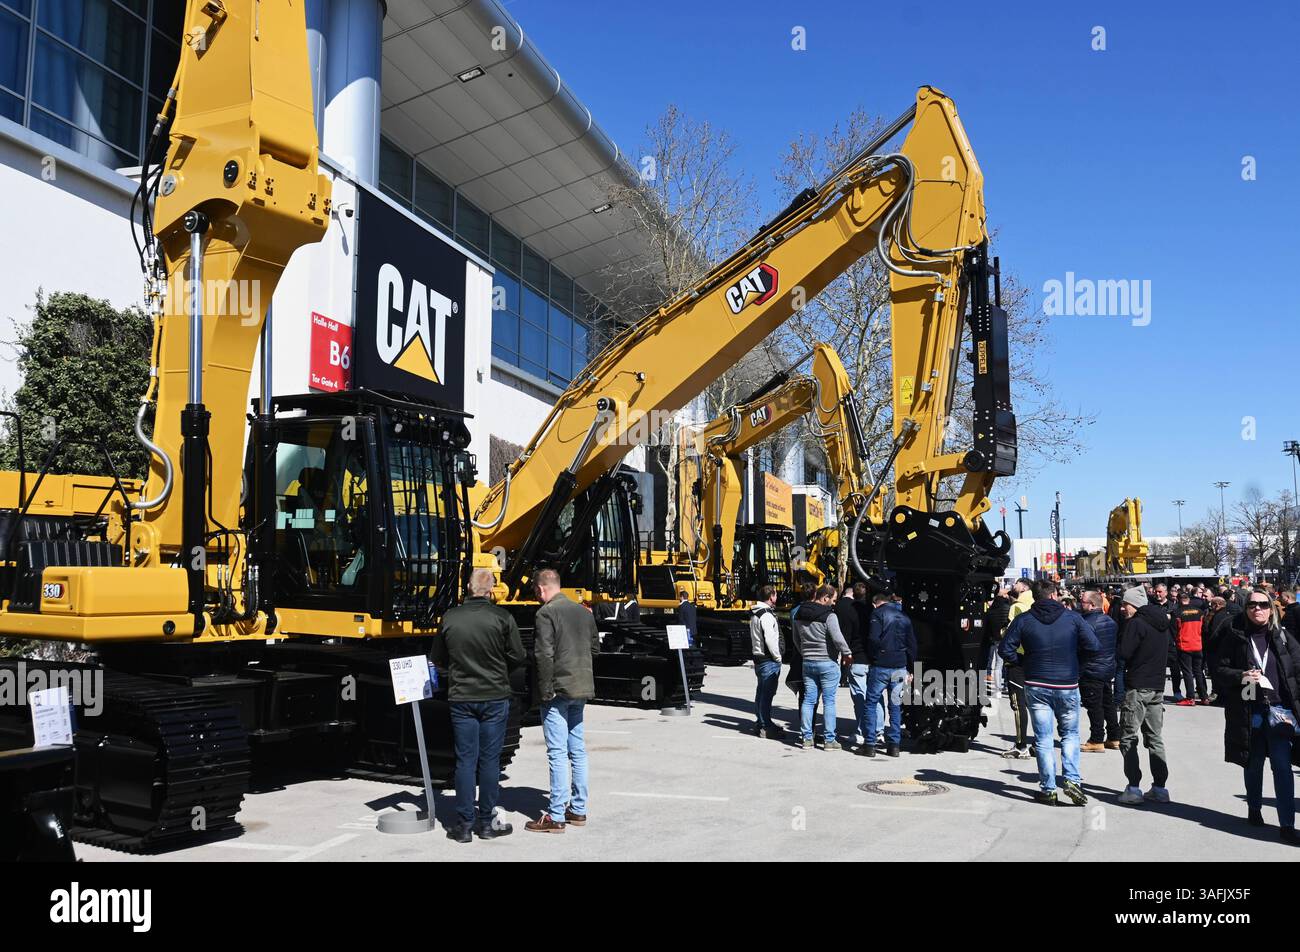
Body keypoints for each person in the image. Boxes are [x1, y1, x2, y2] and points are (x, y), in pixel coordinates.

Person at [432, 567, 526, 843]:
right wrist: (499, 670)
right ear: (491, 589)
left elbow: (437, 658)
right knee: (489, 761)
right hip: (494, 695)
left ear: (469, 588)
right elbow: (518, 655)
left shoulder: (450, 618)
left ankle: (463, 825)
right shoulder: (502, 617)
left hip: (462, 696)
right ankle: (485, 822)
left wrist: (457, 672)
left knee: (465, 760)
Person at [999, 580, 1098, 805]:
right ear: (1054, 596)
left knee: (1043, 739)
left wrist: (1024, 663)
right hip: (1067, 684)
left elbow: (1006, 649)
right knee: (1070, 734)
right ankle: (1072, 780)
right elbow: (1094, 646)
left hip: (1036, 683)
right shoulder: (1072, 618)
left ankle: (1049, 788)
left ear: (1035, 597)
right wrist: (1076, 666)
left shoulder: (1024, 619)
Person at [1213, 589, 1300, 844]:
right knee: (1253, 763)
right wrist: (1240, 676)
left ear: (1271, 608)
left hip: (1279, 711)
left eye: (1263, 605)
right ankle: (1254, 807)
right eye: (1252, 605)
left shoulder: (1282, 637)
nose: (1257, 609)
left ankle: (1287, 824)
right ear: (1246, 608)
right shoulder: (1236, 637)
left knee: (1282, 767)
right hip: (1250, 710)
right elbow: (1219, 669)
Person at [526, 569, 599, 834]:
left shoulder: (545, 613)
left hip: (557, 689)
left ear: (542, 588)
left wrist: (545, 691)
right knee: (577, 750)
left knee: (557, 752)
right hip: (581, 687)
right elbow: (594, 649)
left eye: (535, 590)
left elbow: (543, 655)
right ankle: (578, 810)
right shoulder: (582, 611)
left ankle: (556, 815)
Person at [1116, 586, 1172, 805]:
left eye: (1125, 605)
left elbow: (1123, 653)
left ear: (1135, 605)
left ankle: (1134, 787)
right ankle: (1160, 788)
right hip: (1157, 687)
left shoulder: (1136, 624)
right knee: (1155, 737)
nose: (1122, 609)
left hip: (1138, 687)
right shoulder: (1162, 624)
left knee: (1128, 737)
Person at [861, 584, 916, 758]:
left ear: (876, 603)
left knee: (871, 703)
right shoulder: (904, 617)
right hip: (899, 665)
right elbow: (912, 644)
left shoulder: (877, 614)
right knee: (895, 706)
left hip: (881, 665)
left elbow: (873, 639)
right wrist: (911, 667)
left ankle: (870, 744)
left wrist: (873, 658)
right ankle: (894, 746)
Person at [795, 584, 852, 750]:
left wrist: (805, 653)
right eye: (833, 600)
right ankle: (829, 740)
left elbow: (796, 639)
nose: (834, 603)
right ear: (825, 597)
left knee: (809, 700)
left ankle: (806, 738)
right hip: (827, 662)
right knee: (829, 701)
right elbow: (838, 638)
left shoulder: (799, 614)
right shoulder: (829, 616)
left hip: (808, 662)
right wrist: (847, 654)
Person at [1079, 590, 1120, 751]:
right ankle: (1114, 736)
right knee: (1107, 703)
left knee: (1094, 705)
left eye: (1082, 601)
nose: (1079, 604)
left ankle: (1097, 739)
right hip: (1107, 667)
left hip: (1091, 668)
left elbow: (1082, 647)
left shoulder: (1085, 623)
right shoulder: (1109, 621)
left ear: (1092, 604)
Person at [1000, 578, 1036, 759]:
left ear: (1023, 587)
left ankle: (1021, 745)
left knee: (1019, 704)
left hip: (1018, 658)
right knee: (1037, 704)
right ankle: (1038, 743)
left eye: (1016, 583)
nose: (1013, 585)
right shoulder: (1037, 603)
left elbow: (1010, 633)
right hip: (1036, 659)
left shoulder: (1017, 606)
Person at [749, 584, 784, 739]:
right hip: (768, 659)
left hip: (759, 657)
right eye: (775, 595)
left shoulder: (755, 613)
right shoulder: (767, 615)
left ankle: (761, 722)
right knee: (767, 694)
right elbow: (770, 639)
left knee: (761, 693)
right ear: (771, 596)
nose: (777, 597)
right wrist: (778, 657)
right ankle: (765, 726)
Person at [1174, 590, 1210, 705]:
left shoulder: (1177, 612)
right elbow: (1204, 629)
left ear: (1179, 600)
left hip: (1184, 646)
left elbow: (1174, 631)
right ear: (1188, 600)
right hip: (1197, 645)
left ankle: (1190, 698)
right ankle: (1204, 697)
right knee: (1198, 671)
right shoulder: (1200, 612)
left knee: (1187, 672)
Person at [984, 587, 1012, 700]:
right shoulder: (1009, 608)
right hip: (1008, 640)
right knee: (1008, 664)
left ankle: (997, 691)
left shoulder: (991, 611)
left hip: (995, 639)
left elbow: (988, 627)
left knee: (998, 665)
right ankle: (1007, 685)